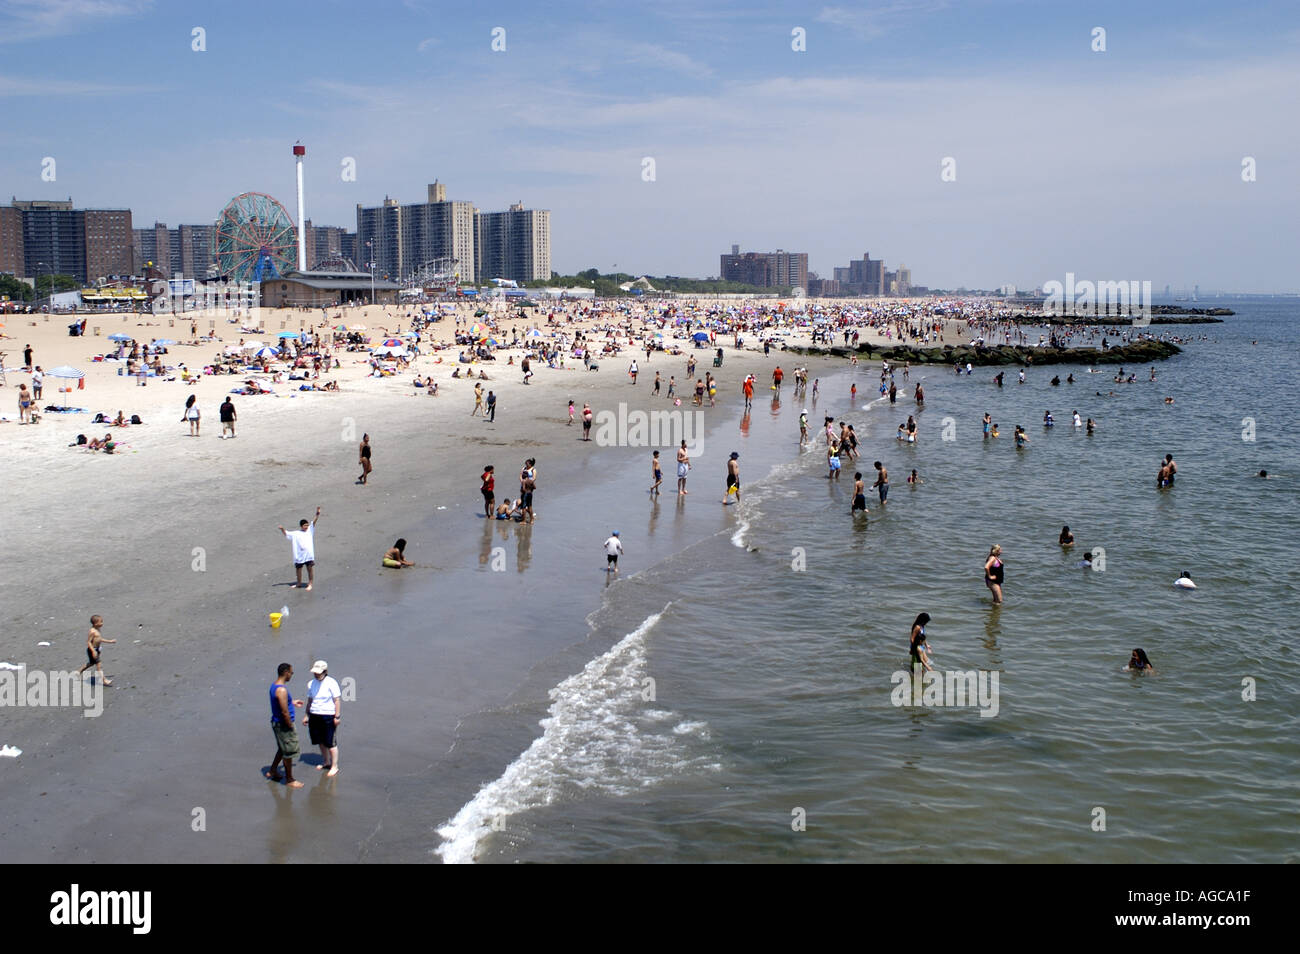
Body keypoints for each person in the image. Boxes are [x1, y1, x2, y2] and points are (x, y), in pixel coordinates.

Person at [266, 663, 305, 788]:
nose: (291, 675)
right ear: (286, 672)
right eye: (291, 673)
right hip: (283, 724)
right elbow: (284, 712)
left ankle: (272, 770)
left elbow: (281, 703)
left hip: (277, 722)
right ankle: (289, 779)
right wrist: (289, 726)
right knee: (289, 751)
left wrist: (292, 702)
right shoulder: (281, 689)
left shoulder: (274, 686)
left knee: (282, 748)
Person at [303, 660, 341, 776]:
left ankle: (334, 766)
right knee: (319, 740)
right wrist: (306, 715)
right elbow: (310, 700)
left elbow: (337, 700)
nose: (316, 674)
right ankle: (326, 761)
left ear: (325, 671)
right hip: (314, 715)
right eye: (315, 672)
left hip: (328, 715)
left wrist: (337, 716)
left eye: (318, 672)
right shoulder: (311, 683)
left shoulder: (331, 682)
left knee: (330, 742)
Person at [279, 507, 322, 590]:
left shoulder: (310, 530)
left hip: (308, 554)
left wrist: (317, 514)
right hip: (299, 555)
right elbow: (287, 534)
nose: (306, 527)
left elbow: (314, 521)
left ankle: (310, 584)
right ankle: (298, 583)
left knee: (309, 569)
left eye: (307, 525)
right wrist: (282, 529)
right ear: (301, 526)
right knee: (298, 569)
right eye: (305, 525)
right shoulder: (296, 533)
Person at [76, 614, 115, 686]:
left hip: (97, 649)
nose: (102, 623)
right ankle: (104, 680)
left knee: (91, 663)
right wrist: (93, 651)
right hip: (92, 650)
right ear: (95, 623)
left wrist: (110, 641)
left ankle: (78, 672)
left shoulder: (97, 629)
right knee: (99, 665)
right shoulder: (92, 631)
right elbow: (88, 642)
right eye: (101, 622)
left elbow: (99, 639)